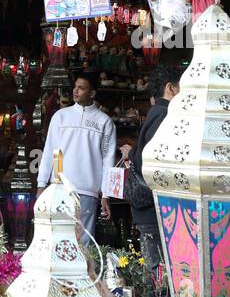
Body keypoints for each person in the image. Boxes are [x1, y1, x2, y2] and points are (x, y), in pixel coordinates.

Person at [36, 72, 116, 243]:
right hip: (59, 188)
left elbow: (108, 160)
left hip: (88, 191)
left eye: (81, 88)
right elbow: (50, 150)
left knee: (83, 243)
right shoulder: (60, 116)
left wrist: (106, 194)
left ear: (92, 93)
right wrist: (41, 184)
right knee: (55, 239)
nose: (75, 91)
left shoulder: (104, 122)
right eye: (75, 87)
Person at [131, 66, 179, 265]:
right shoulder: (164, 115)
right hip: (153, 207)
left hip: (150, 208)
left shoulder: (157, 112)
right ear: (171, 88)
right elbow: (152, 160)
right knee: (159, 272)